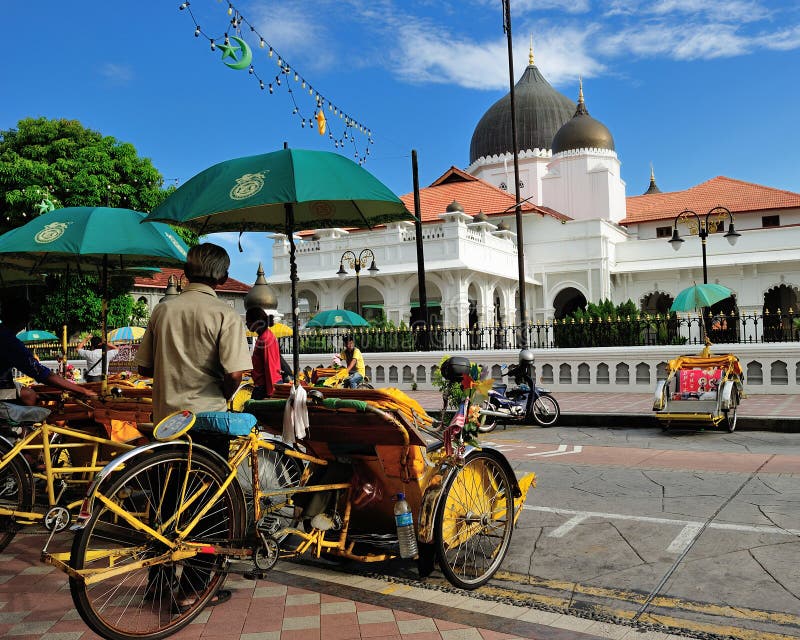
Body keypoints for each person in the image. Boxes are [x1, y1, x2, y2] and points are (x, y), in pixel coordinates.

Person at [135, 242, 251, 610]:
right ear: (222, 276)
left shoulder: (163, 310)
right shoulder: (224, 314)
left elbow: (143, 368)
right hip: (205, 421)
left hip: (165, 421)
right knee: (209, 505)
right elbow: (235, 372)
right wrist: (223, 389)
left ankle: (159, 581)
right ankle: (195, 587)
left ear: (186, 272)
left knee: (165, 502)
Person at [0, 297, 98, 404]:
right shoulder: (9, 341)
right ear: (24, 320)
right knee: (29, 395)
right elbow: (44, 374)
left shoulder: (5, 336)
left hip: (6, 385)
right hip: (3, 392)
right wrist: (82, 390)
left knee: (31, 392)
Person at [245, 307, 282, 400]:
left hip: (266, 388)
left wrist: (271, 394)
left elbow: (270, 366)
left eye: (248, 321)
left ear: (255, 322)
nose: (246, 324)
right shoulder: (263, 337)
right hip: (263, 386)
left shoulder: (266, 338)